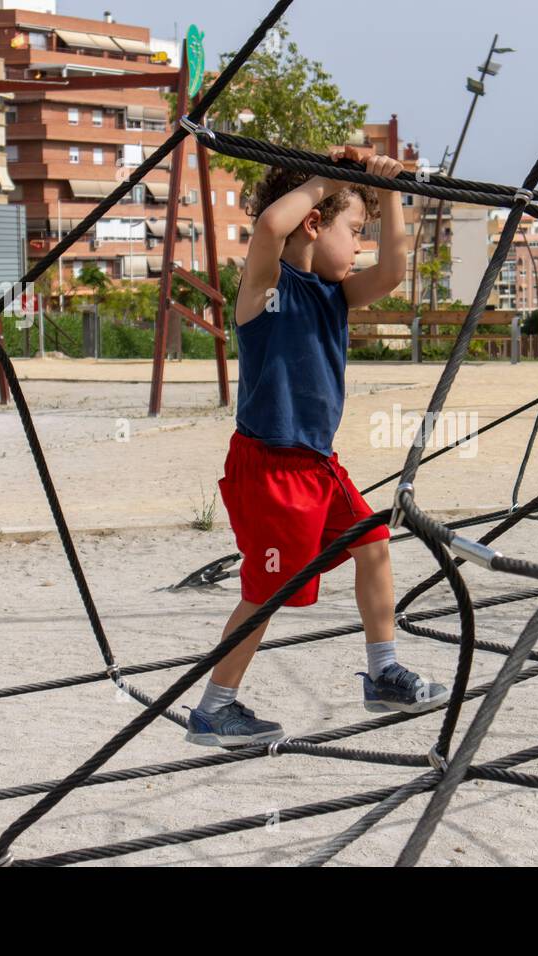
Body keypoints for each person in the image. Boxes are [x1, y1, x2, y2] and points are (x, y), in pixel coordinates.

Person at [185, 146, 450, 748]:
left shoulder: (336, 297)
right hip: (271, 466)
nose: (358, 245)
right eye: (353, 231)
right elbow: (270, 227)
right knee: (268, 588)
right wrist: (330, 178)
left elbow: (392, 272)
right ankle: (214, 708)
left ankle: (383, 672)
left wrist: (386, 194)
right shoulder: (266, 288)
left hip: (318, 466)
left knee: (374, 543)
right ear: (313, 223)